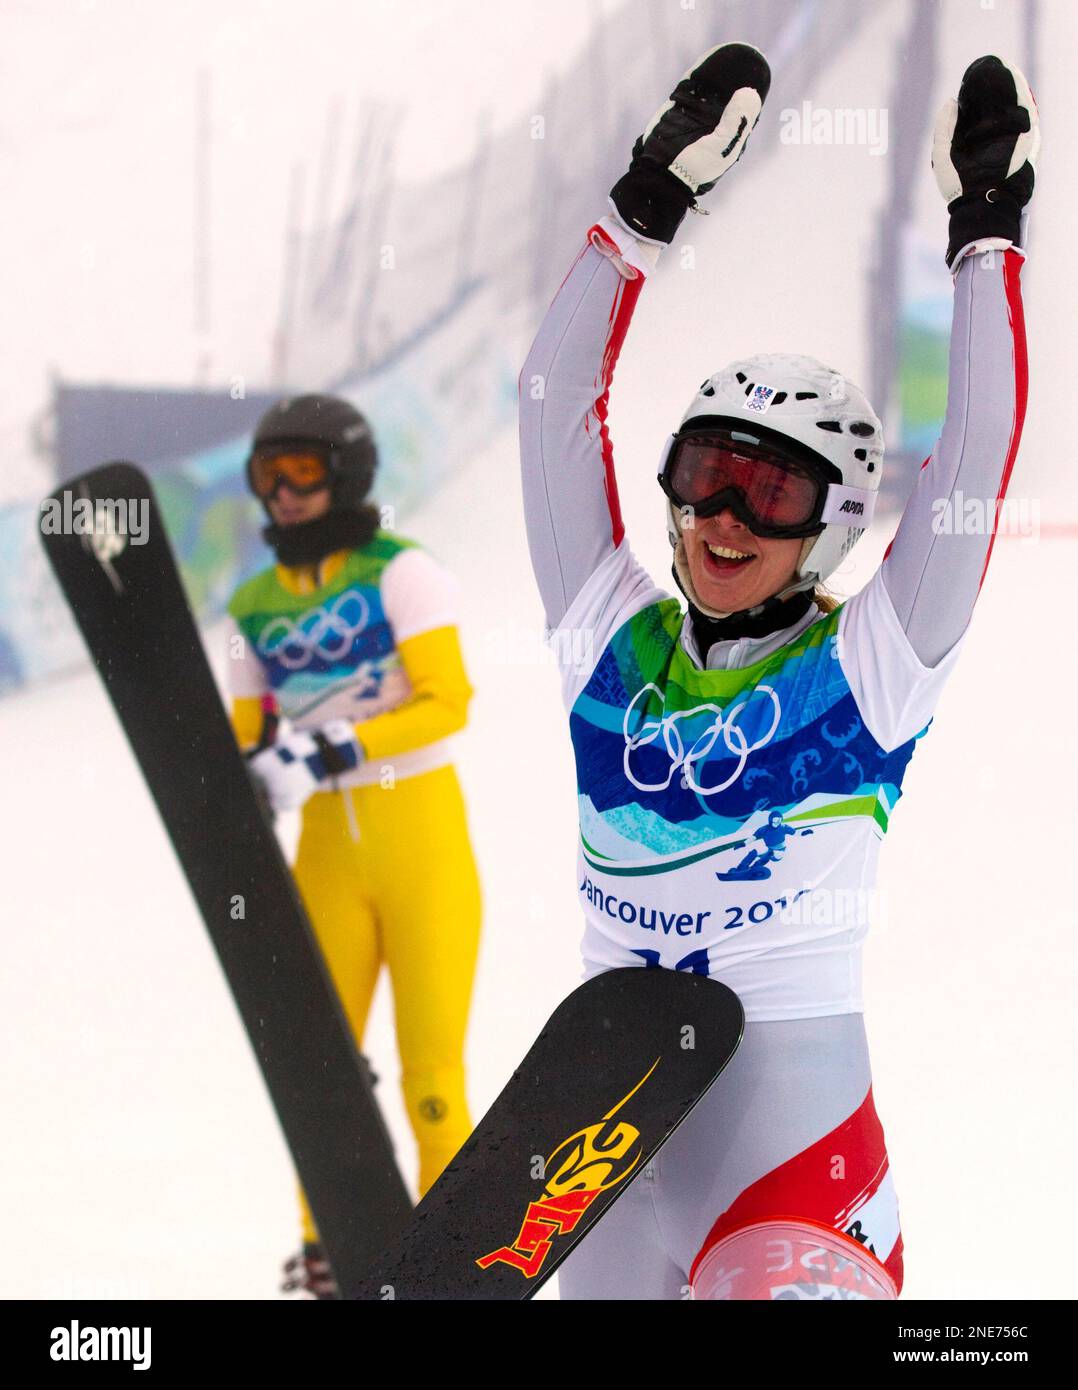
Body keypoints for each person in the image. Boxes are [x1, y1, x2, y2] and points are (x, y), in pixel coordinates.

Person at [519, 43, 1036, 1299]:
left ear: (838, 523)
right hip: (611, 1149)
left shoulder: (873, 664)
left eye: (771, 489)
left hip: (793, 1168)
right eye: (704, 474)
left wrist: (985, 238)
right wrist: (639, 209)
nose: (724, 518)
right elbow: (548, 400)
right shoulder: (607, 635)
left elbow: (971, 460)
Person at [225, 393, 482, 1296]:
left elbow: (446, 699)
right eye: (267, 475)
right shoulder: (248, 606)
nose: (283, 492)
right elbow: (240, 737)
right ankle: (327, 1250)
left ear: (347, 473)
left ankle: (448, 1253)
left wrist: (330, 746)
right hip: (328, 854)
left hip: (421, 841)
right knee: (318, 1068)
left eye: (302, 471)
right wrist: (248, 767)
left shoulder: (400, 570)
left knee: (431, 1078)